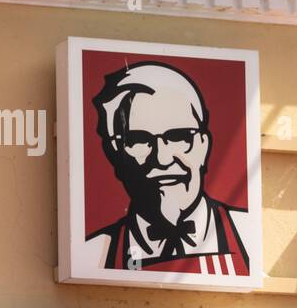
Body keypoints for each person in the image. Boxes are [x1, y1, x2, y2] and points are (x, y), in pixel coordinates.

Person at [84, 61, 251, 276]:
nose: (162, 158)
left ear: (203, 145)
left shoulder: (249, 236)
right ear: (116, 154)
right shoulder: (92, 255)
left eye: (179, 137)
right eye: (139, 140)